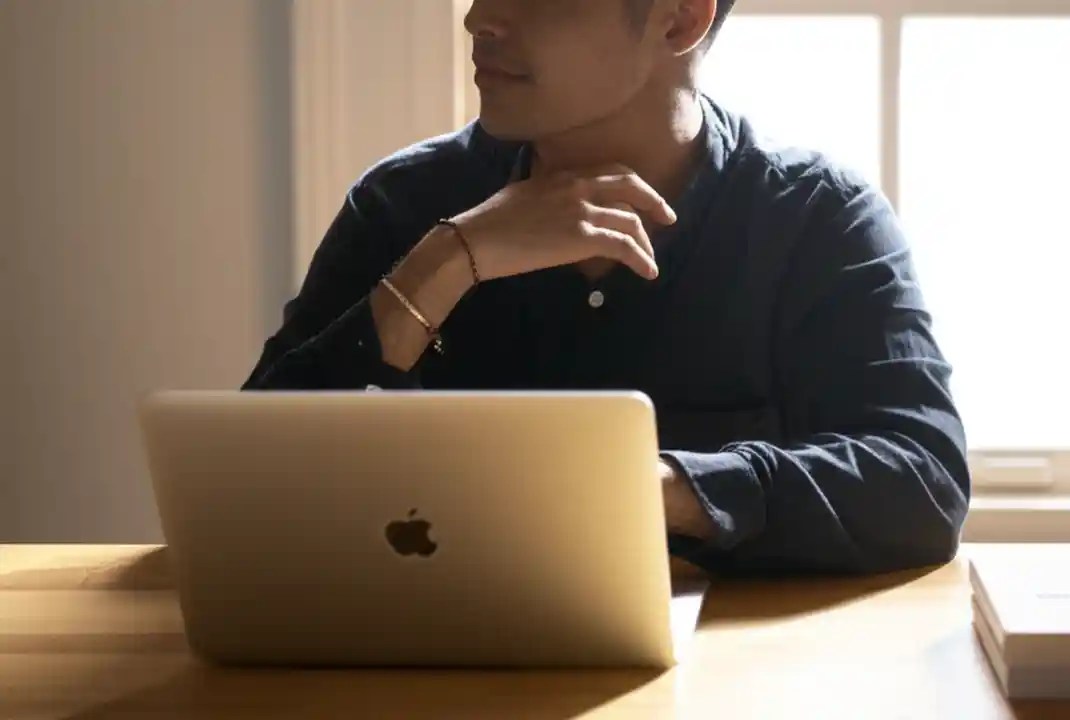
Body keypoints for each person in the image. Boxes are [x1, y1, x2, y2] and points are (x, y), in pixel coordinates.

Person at [243, 0, 970, 576]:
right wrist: (445, 263)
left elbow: (922, 481)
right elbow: (241, 485)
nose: (479, 17)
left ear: (681, 18)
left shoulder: (818, 219)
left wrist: (652, 491)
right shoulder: (405, 206)